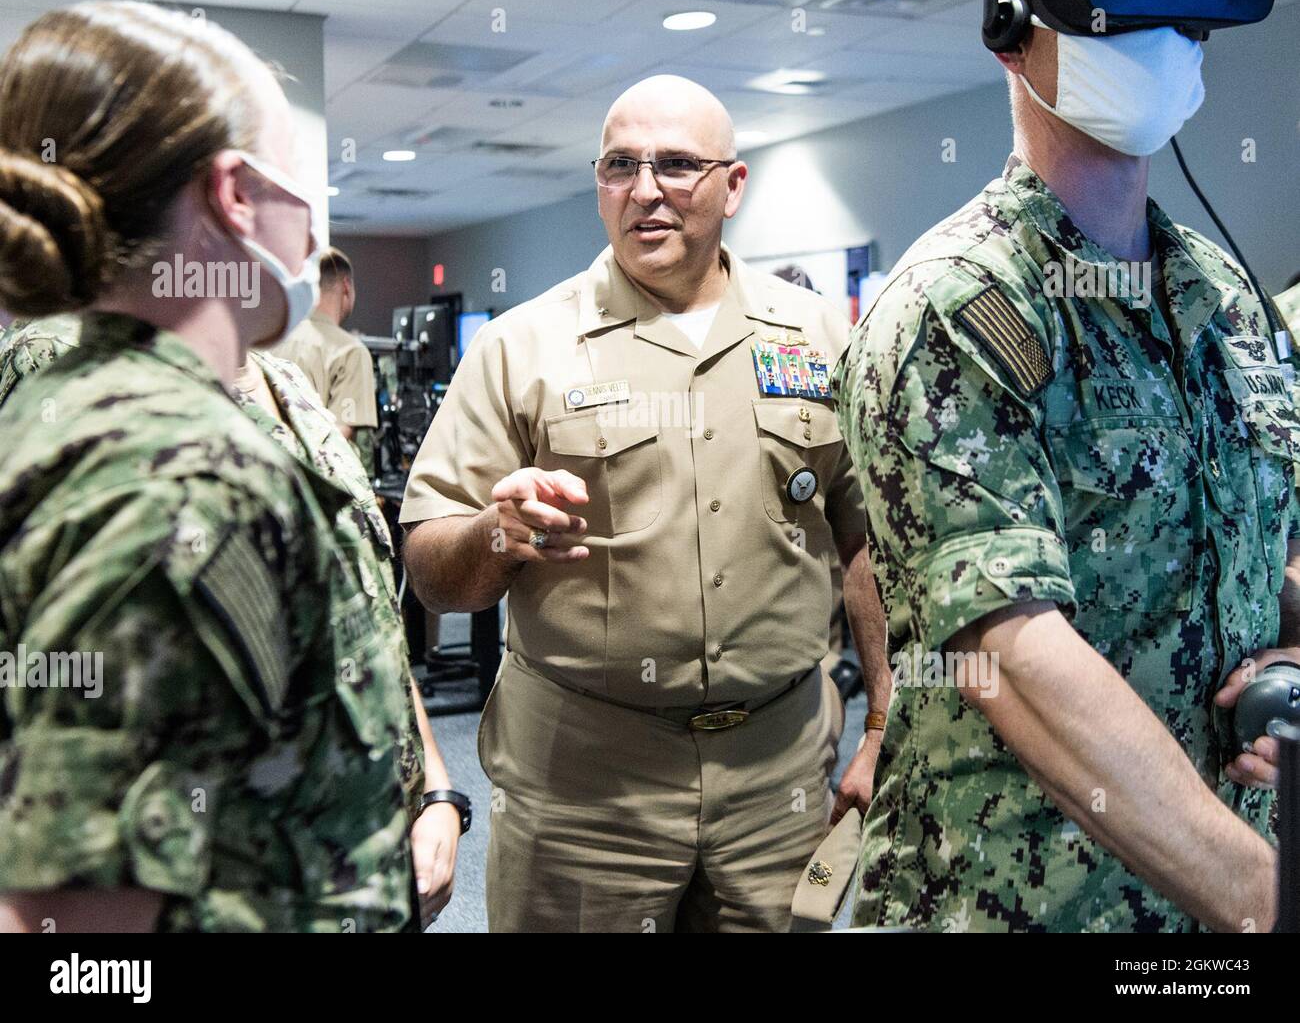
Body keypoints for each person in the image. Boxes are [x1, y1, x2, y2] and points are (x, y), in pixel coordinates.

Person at [833, 0, 1300, 932]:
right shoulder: (956, 306)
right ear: (1011, 30)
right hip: (1020, 897)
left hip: (1203, 898)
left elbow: (1279, 546)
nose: (1163, 41)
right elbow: (1012, 651)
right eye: (1122, 3)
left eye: (1186, 13)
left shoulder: (1222, 298)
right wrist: (1263, 897)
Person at [400, 74, 889, 933]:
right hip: (587, 793)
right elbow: (434, 573)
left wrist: (885, 719)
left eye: (676, 164)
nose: (645, 189)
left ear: (733, 186)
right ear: (598, 185)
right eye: (620, 165)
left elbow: (868, 542)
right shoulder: (525, 346)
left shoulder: (818, 337)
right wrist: (495, 534)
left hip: (778, 779)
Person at [0, 1, 413, 932]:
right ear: (236, 195)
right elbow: (77, 932)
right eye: (303, 177)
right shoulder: (187, 474)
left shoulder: (80, 399)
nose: (315, 217)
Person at [0, 314, 464, 923]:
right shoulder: (60, 356)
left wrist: (436, 790)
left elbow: (360, 613)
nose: (303, 223)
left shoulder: (286, 381)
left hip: (361, 868)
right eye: (291, 208)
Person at [276, 246, 379, 470]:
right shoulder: (351, 351)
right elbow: (341, 434)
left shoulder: (274, 340)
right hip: (323, 481)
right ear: (346, 286)